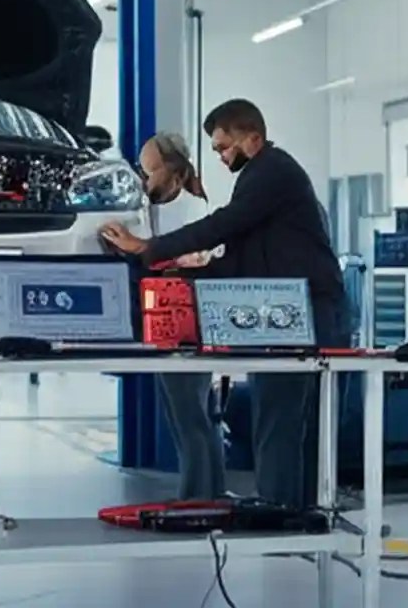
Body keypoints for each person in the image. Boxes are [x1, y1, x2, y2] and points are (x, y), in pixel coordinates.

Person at [102, 99, 344, 509]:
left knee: (281, 420)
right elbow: (236, 258)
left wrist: (149, 248)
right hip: (281, 313)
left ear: (254, 139)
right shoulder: (257, 179)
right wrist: (174, 273)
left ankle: (283, 512)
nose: (221, 156)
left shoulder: (271, 172)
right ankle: (282, 509)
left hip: (305, 312)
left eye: (225, 147)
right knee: (273, 419)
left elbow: (221, 226)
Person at [138, 132, 224, 500]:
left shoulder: (193, 209)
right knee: (191, 413)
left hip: (186, 317)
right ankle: (209, 493)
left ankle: (196, 498)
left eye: (149, 171)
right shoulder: (156, 208)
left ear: (172, 170)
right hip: (165, 316)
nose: (144, 180)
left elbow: (193, 257)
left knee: (189, 415)